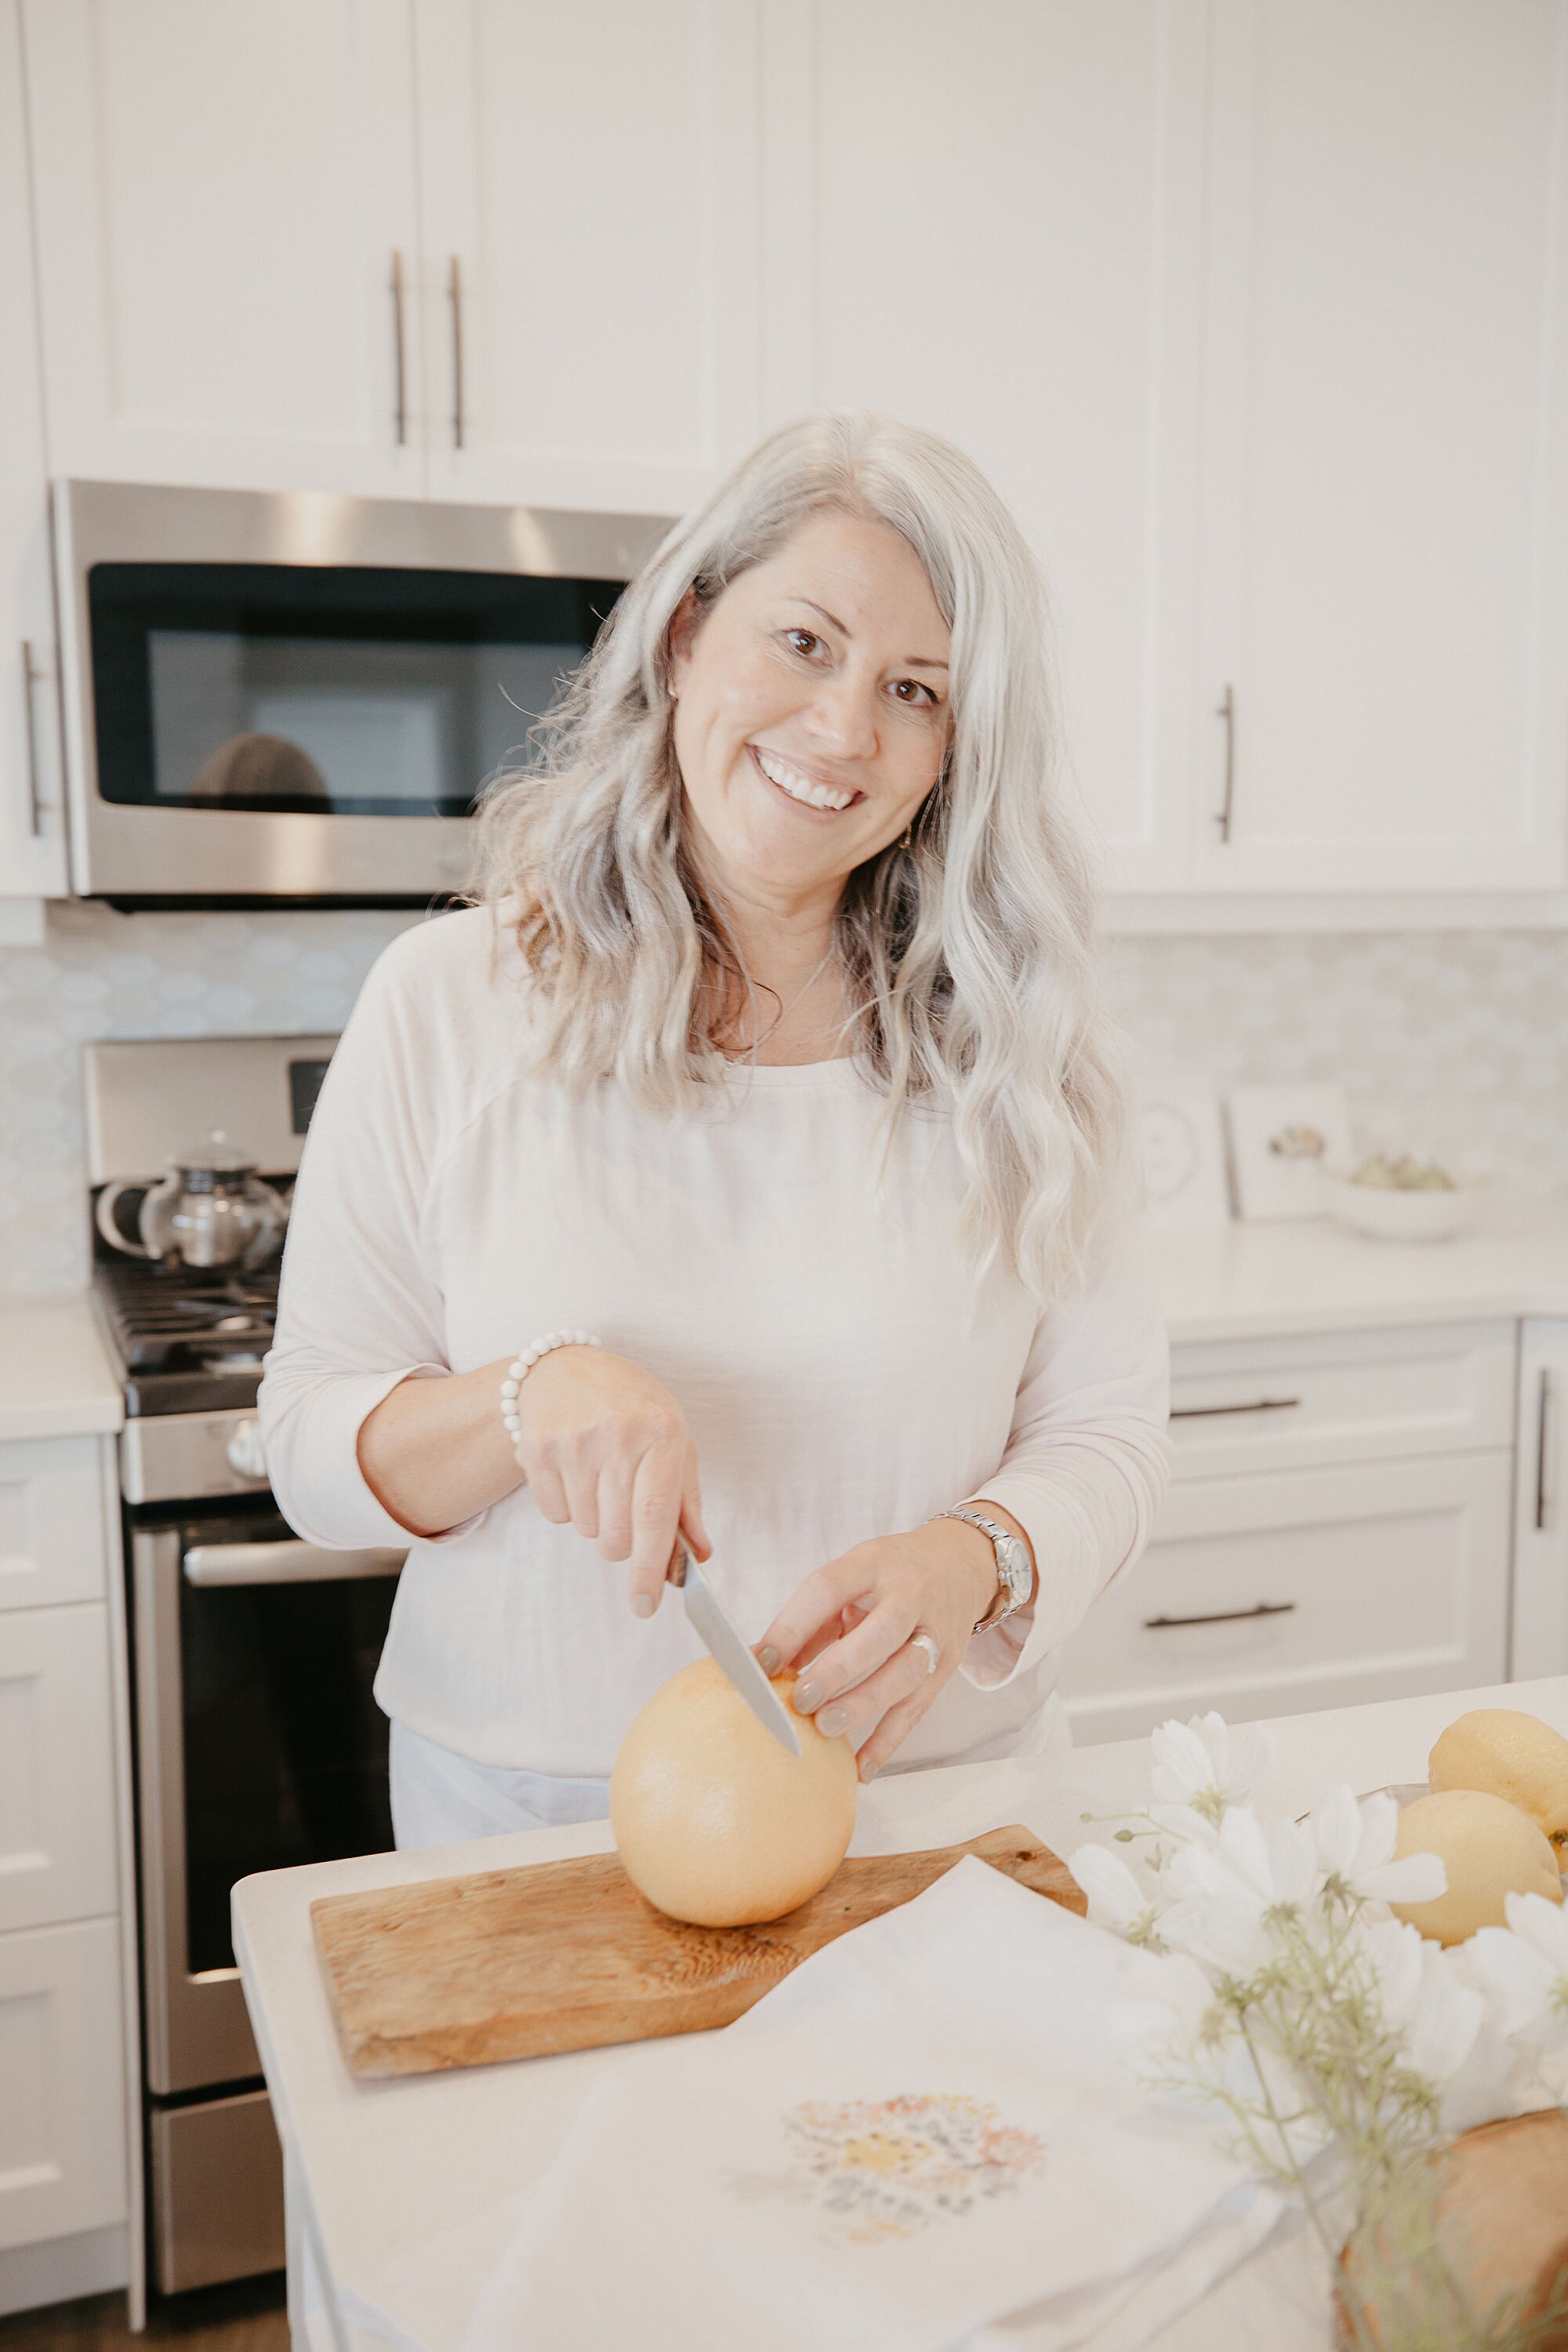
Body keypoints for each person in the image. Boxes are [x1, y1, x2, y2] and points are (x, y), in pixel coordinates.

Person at [258, 411, 1171, 1849]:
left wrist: (978, 1558)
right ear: (686, 635)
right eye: (803, 643)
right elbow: (309, 1451)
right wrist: (522, 1395)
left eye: (917, 691)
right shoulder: (455, 1001)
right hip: (532, 1825)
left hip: (932, 1811)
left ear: (957, 750)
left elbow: (1106, 1437)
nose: (842, 732)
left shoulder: (1023, 1051)